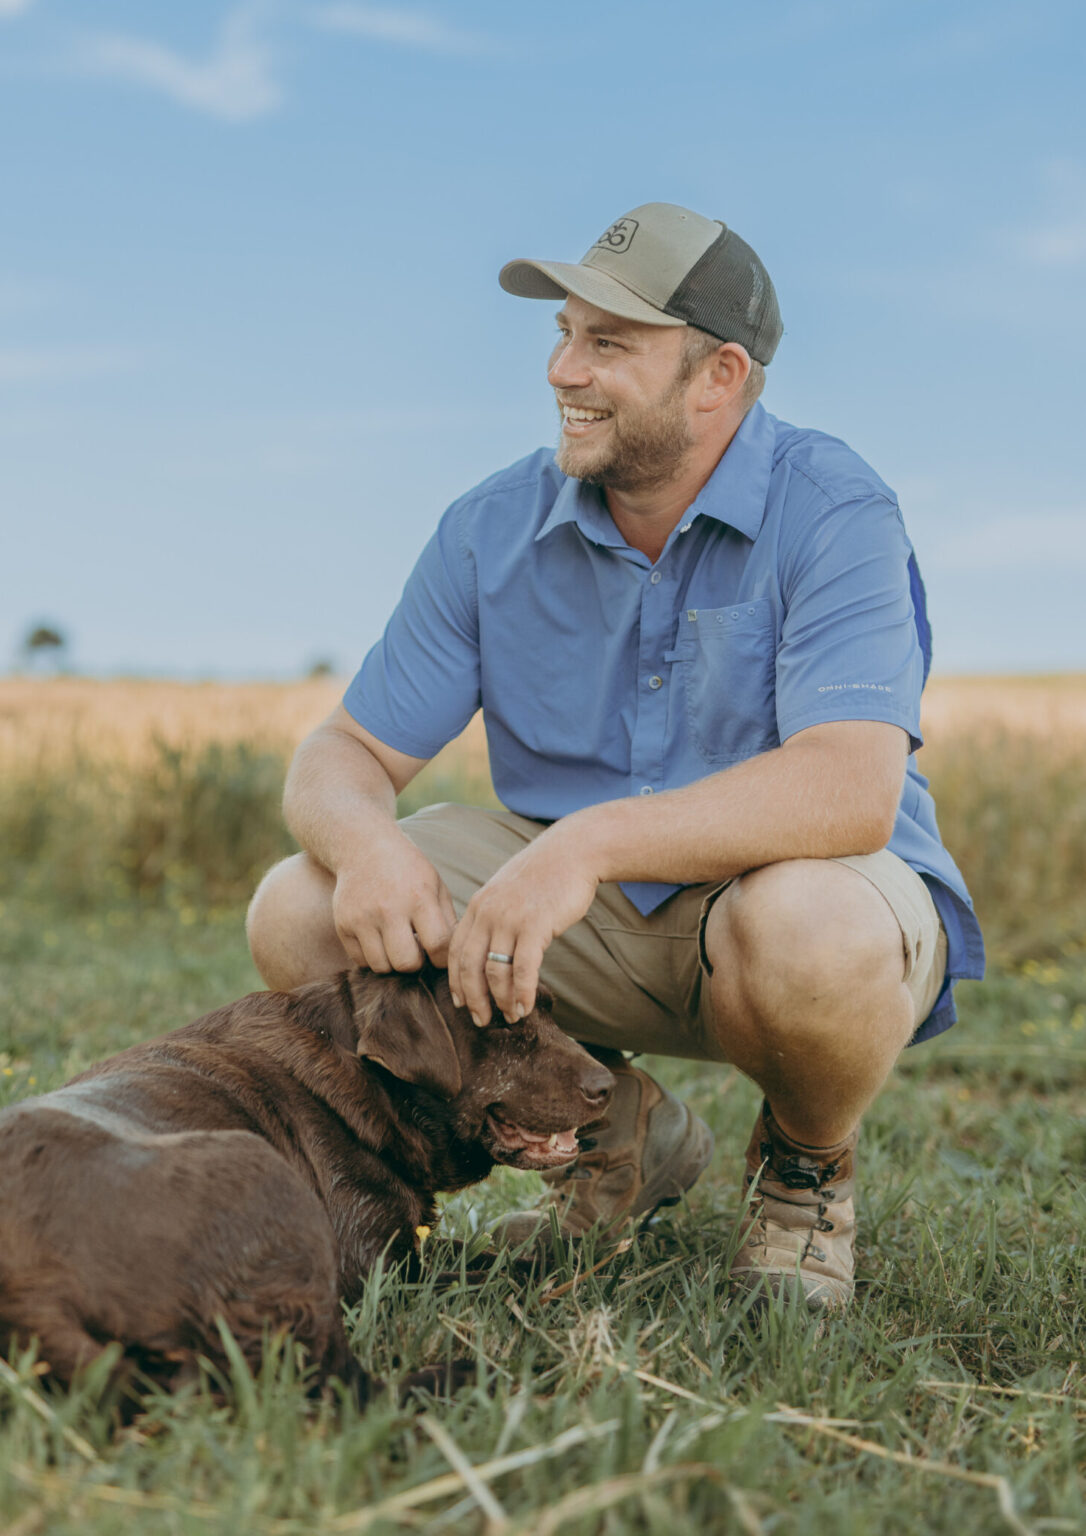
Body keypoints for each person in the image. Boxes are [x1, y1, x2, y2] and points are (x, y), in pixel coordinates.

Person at [246, 202, 985, 1310]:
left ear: (717, 376)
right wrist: (366, 848)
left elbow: (850, 787)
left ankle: (802, 1171)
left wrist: (586, 844)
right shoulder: (488, 527)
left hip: (791, 909)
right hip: (576, 921)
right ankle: (614, 1130)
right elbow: (343, 751)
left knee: (808, 928)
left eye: (607, 344)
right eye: (563, 334)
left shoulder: (835, 510)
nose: (562, 371)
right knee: (300, 908)